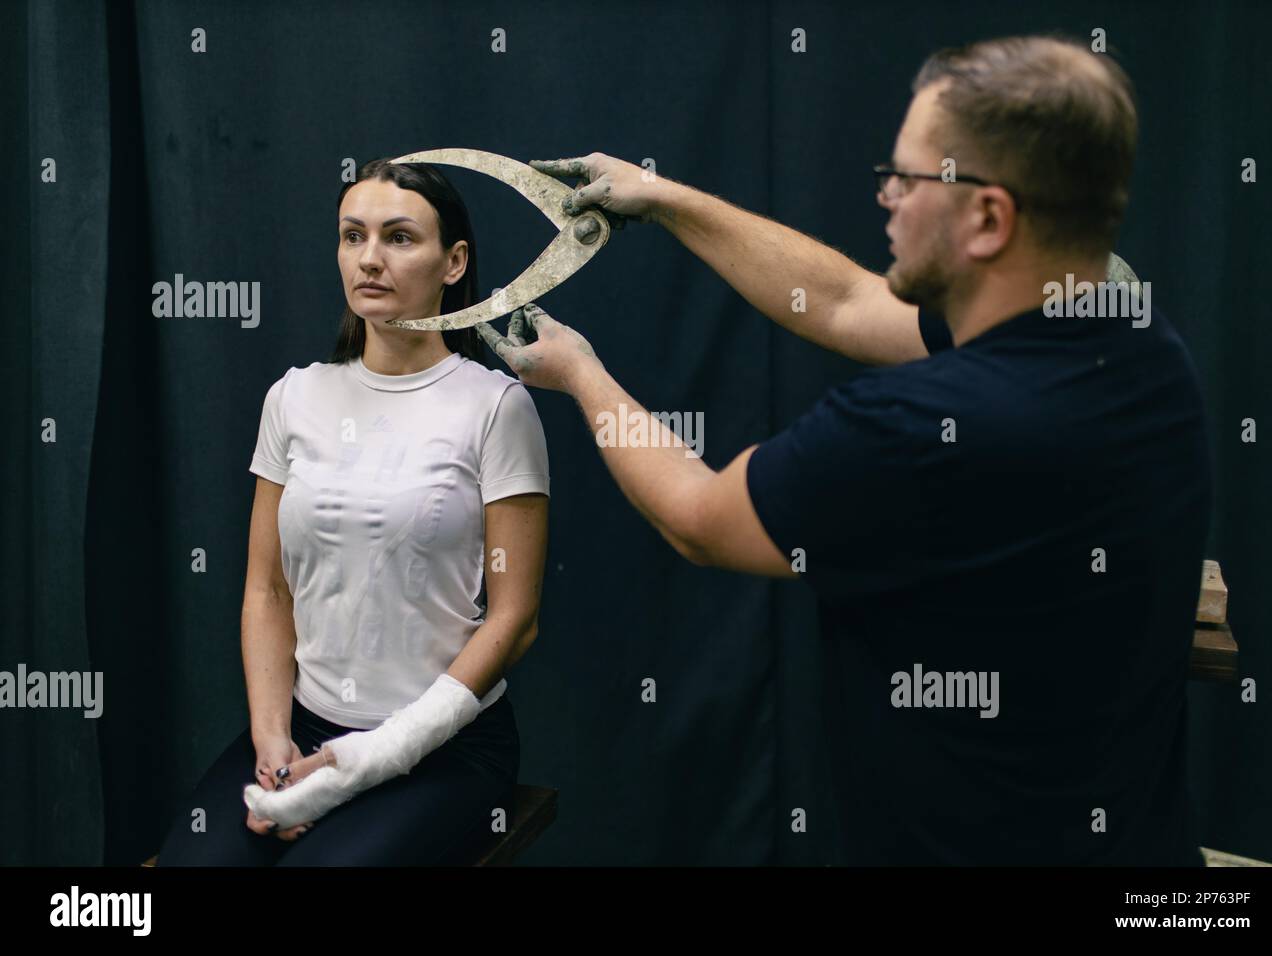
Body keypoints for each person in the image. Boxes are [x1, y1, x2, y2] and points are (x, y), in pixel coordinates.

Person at [477, 34, 1211, 864]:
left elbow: (697, 517)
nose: (886, 196)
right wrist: (664, 199)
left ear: (989, 217)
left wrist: (581, 374)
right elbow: (843, 302)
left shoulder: (912, 433)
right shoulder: (1139, 341)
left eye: (908, 177)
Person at [157, 158, 550, 865]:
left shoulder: (496, 407)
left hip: (444, 750)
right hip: (305, 726)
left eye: (399, 237)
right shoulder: (294, 398)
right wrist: (272, 737)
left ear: (454, 262)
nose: (369, 258)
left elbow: (515, 619)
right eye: (352, 235)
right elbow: (267, 589)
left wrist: (377, 755)